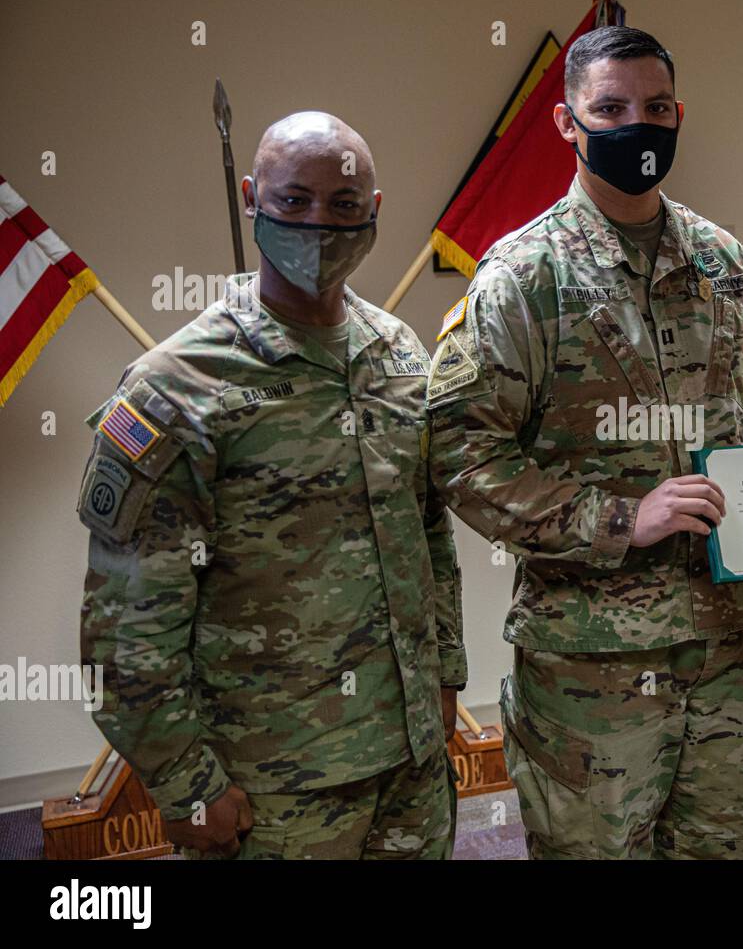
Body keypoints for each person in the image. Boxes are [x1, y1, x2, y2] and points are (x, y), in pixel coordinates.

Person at [426, 26, 743, 859]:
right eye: (610, 109)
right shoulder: (523, 277)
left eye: (655, 108)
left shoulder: (726, 265)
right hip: (588, 668)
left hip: (721, 656)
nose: (635, 126)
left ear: (679, 116)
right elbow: (462, 456)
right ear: (567, 123)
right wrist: (619, 520)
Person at [77, 111, 464, 859]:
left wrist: (446, 675)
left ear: (373, 213)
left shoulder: (400, 357)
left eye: (344, 206)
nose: (319, 222)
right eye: (294, 202)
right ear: (253, 198)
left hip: (409, 763)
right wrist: (186, 782)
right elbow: (127, 627)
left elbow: (429, 535)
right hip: (271, 786)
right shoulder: (176, 387)